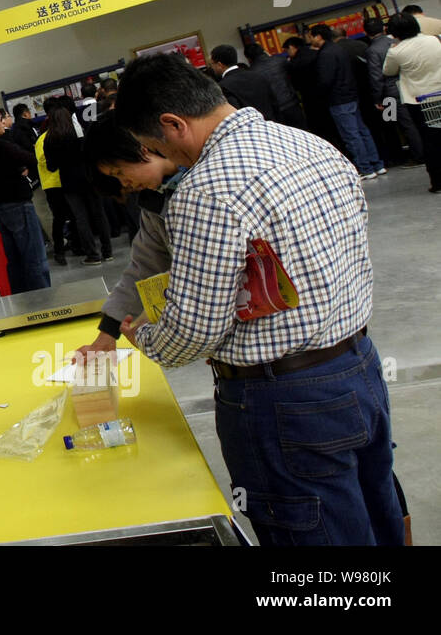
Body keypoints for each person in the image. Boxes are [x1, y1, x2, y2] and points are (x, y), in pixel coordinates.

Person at [114, 52, 404, 546]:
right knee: (376, 515)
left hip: (283, 402)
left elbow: (193, 332)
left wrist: (143, 334)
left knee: (314, 538)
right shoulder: (311, 144)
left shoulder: (206, 191)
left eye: (151, 145)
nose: (165, 161)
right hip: (360, 366)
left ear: (172, 124)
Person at [74, 115, 183, 354]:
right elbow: (144, 266)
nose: (126, 183)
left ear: (141, 147)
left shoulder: (202, 186)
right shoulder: (156, 200)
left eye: (119, 172)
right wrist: (108, 333)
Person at [0, 104, 50, 291]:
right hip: (18, 206)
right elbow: (30, 158)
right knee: (35, 259)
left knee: (15, 261)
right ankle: (44, 303)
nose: (4, 124)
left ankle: (22, 303)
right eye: (0, 120)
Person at [310, 24, 385, 179]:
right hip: (351, 94)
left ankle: (365, 168)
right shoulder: (339, 49)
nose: (310, 40)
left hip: (338, 99)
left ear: (318, 36)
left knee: (351, 136)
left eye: (311, 36)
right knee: (362, 131)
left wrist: (319, 94)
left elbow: (325, 80)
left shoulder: (326, 54)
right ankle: (377, 164)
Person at [43, 101, 112, 266]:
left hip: (69, 182)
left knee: (80, 218)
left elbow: (51, 166)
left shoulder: (49, 139)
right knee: (99, 213)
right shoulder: (80, 132)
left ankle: (92, 255)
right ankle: (107, 251)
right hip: (88, 177)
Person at [383, 13, 441, 193]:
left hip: (419, 99)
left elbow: (388, 71)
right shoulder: (434, 40)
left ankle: (438, 182)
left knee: (430, 140)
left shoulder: (396, 51)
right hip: (439, 92)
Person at [365, 17, 422, 166]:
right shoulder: (396, 42)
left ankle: (415, 156)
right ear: (384, 29)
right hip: (409, 86)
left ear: (366, 33)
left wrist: (377, 99)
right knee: (413, 122)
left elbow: (376, 77)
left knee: (399, 125)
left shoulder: (372, 50)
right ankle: (419, 151)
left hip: (389, 94)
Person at [35, 107, 74, 268]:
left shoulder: (60, 136)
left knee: (71, 215)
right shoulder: (43, 139)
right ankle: (59, 250)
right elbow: (43, 160)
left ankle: (74, 245)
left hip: (62, 181)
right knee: (59, 218)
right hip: (52, 184)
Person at [244, 42, 305, 128]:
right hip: (291, 103)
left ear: (248, 58)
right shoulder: (279, 60)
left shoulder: (251, 73)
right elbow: (294, 74)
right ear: (264, 51)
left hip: (274, 111)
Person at [209, 44, 278, 119]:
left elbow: (236, 115)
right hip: (272, 123)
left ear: (219, 65)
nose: (212, 67)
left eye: (212, 64)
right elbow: (274, 103)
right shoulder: (257, 75)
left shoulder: (223, 87)